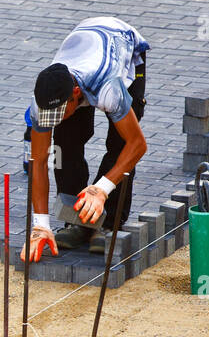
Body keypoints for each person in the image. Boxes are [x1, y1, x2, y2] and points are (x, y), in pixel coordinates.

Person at [21, 17, 150, 262]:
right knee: (64, 145)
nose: (54, 119)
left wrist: (102, 189)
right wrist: (40, 224)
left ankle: (107, 223)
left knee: (120, 145)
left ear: (76, 94)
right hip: (85, 44)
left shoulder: (109, 88)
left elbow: (137, 145)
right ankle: (77, 220)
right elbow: (39, 162)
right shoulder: (44, 99)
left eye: (60, 113)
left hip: (123, 45)